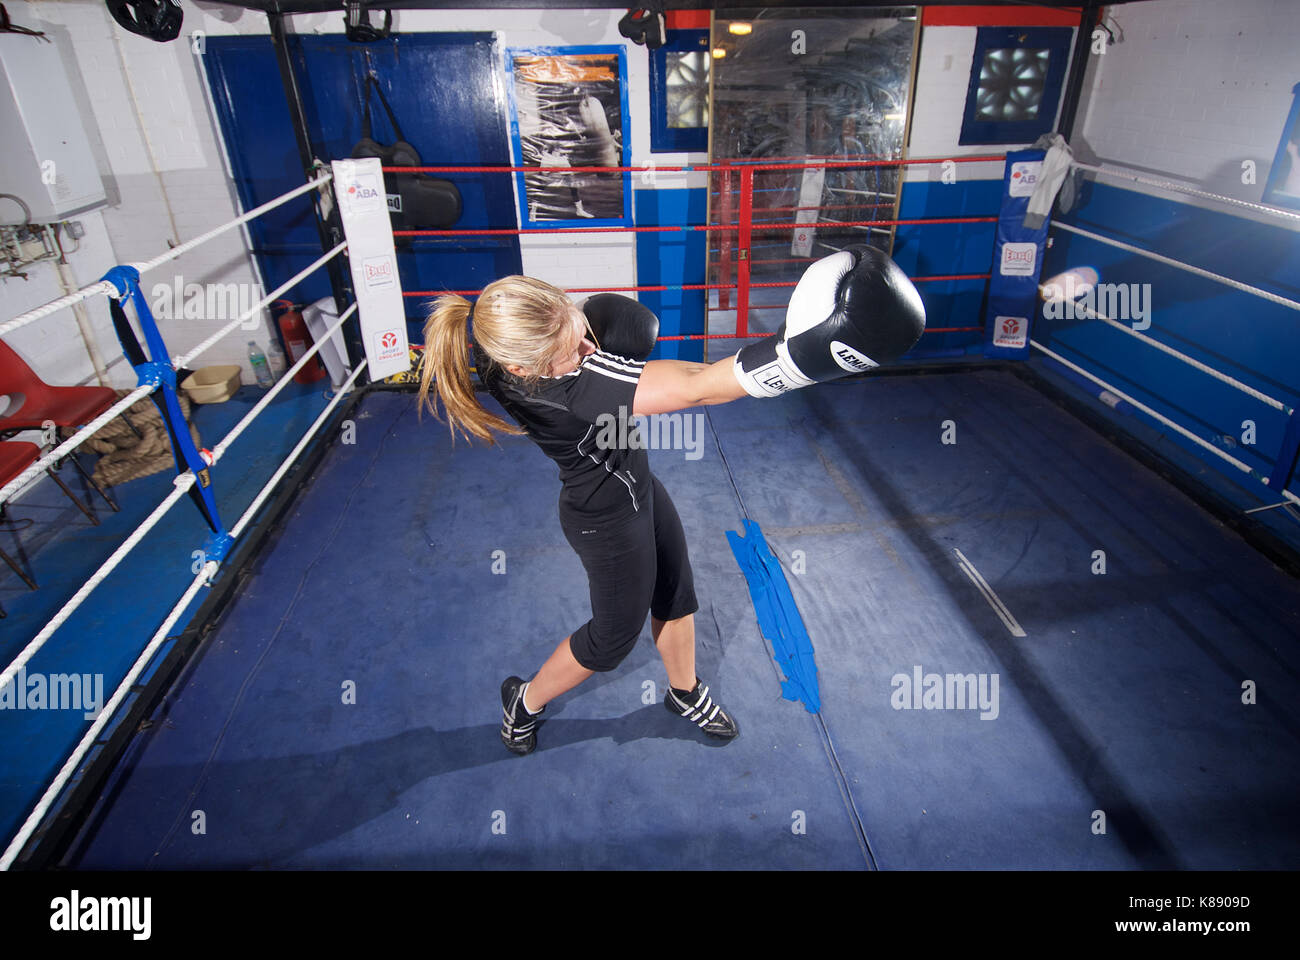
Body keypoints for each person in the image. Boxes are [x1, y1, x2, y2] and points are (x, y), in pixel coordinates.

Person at [417, 244, 925, 755]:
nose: (589, 350)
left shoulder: (495, 335)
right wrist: (791, 358)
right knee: (610, 641)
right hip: (603, 519)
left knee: (676, 595)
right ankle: (523, 701)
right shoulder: (573, 393)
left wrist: (577, 334)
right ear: (525, 369)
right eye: (572, 353)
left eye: (580, 331)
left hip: (639, 487)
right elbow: (697, 388)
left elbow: (532, 321)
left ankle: (684, 692)